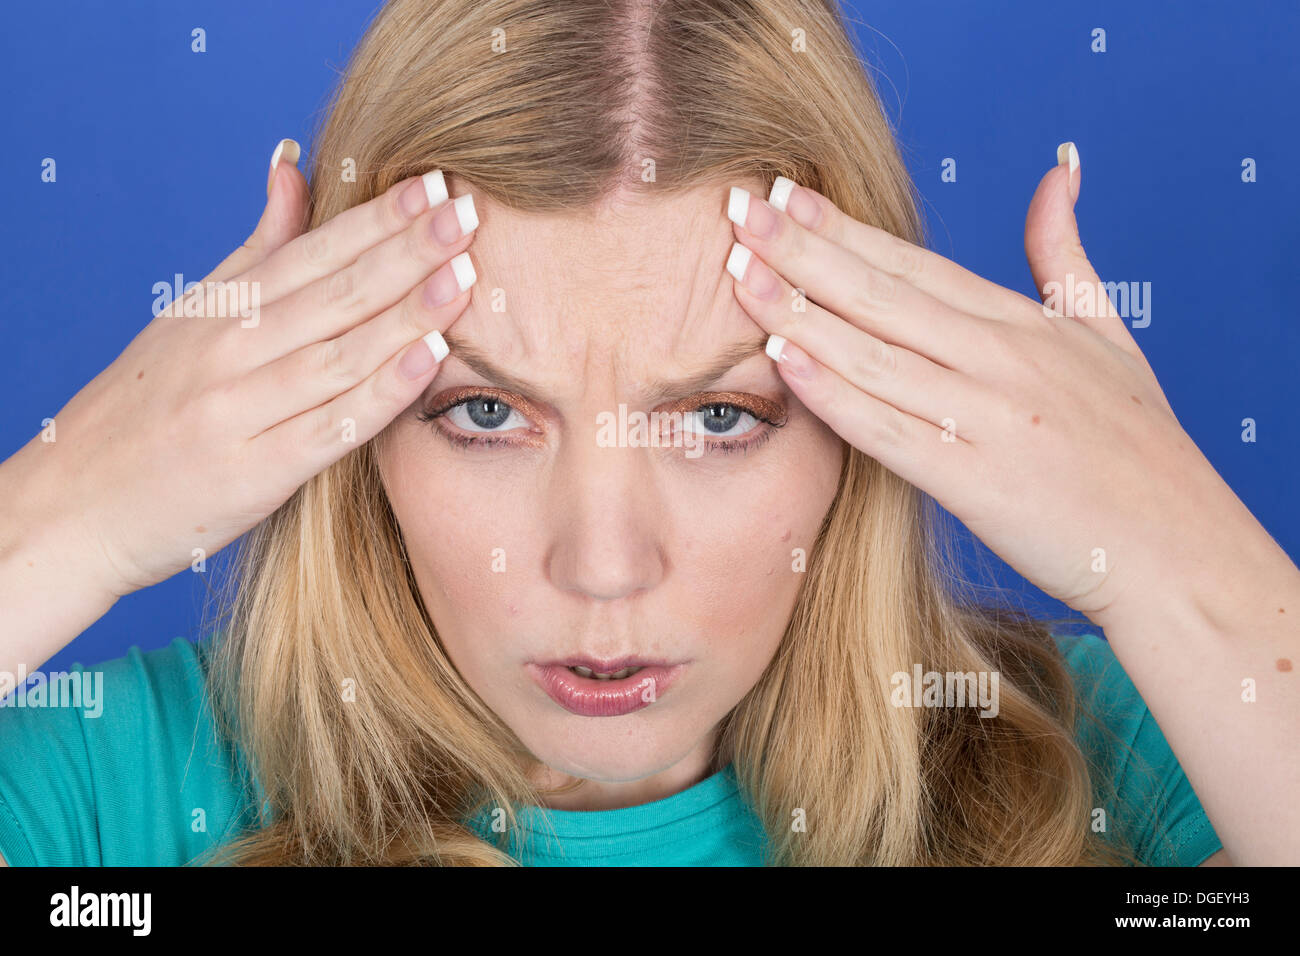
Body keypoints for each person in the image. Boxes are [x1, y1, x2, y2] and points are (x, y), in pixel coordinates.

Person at [0, 0, 1294, 866]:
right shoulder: (113, 791)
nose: (603, 566)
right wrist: (66, 517)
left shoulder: (1133, 749)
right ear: (340, 407)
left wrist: (1173, 547)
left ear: (872, 416)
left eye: (720, 416)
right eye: (486, 412)